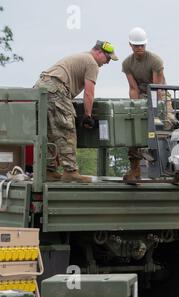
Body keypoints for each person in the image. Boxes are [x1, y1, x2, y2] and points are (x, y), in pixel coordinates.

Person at [34, 41, 118, 182]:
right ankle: (70, 171)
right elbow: (89, 92)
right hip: (56, 89)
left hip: (41, 88)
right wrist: (87, 115)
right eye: (108, 58)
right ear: (99, 52)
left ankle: (49, 170)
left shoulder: (83, 57)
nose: (108, 62)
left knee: (48, 131)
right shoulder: (92, 63)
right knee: (67, 128)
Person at [122, 27, 171, 181]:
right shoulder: (127, 64)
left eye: (142, 45)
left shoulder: (156, 61)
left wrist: (154, 109)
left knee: (166, 124)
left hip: (160, 95)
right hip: (141, 95)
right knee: (133, 127)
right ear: (130, 45)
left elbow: (157, 88)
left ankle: (166, 168)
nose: (140, 48)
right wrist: (136, 108)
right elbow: (133, 88)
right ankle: (135, 170)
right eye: (137, 46)